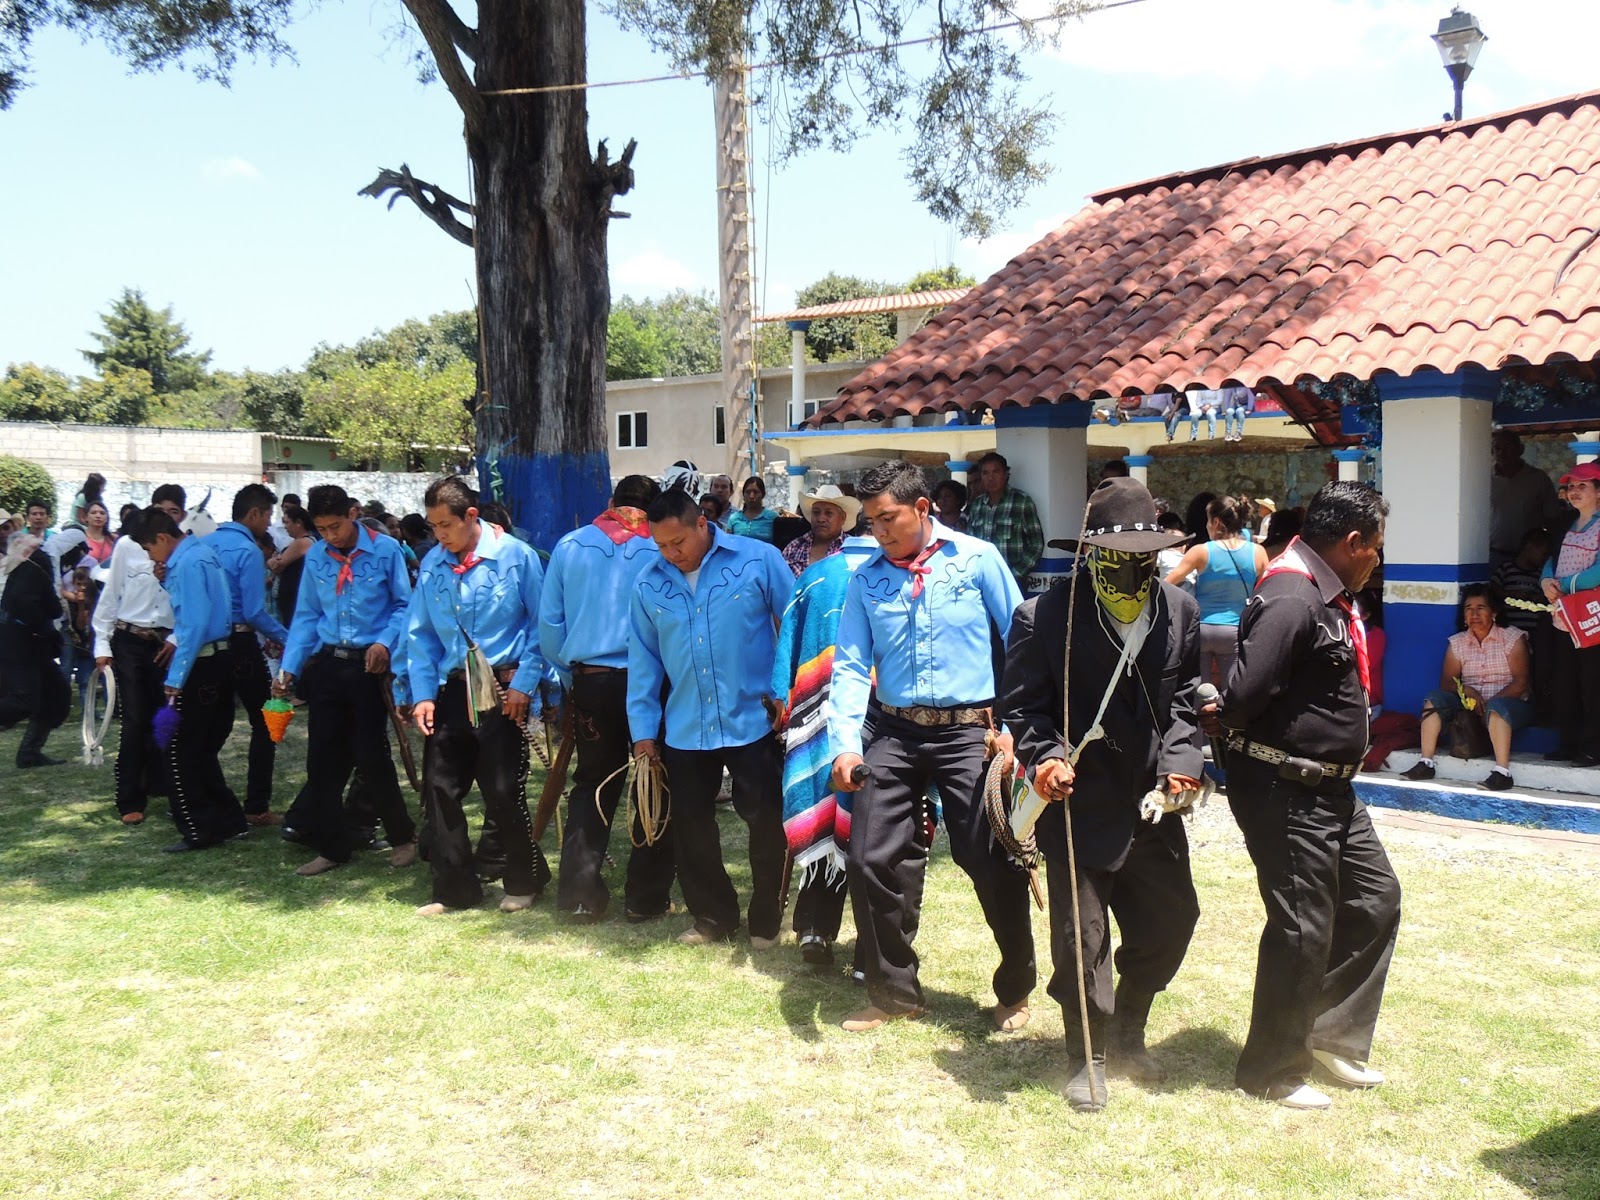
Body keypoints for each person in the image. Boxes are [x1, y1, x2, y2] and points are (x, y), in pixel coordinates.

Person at [1000, 476, 1204, 1112]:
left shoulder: (1180, 611)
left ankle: (1130, 1024)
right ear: (1090, 554)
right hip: (1078, 802)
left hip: (1150, 801)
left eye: (1146, 558)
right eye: (1119, 558)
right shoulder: (1044, 616)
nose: (1133, 570)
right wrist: (1047, 757)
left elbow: (1184, 702)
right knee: (1079, 939)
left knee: (1173, 923)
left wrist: (1182, 763)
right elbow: (1024, 708)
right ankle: (1085, 1055)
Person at [1210, 481, 1401, 1110]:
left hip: (1333, 791)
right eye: (1374, 547)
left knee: (1374, 901)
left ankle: (1329, 1035)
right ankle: (1270, 1068)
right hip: (1289, 787)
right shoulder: (1293, 595)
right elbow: (1242, 697)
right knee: (1302, 927)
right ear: (1350, 543)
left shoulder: (1324, 592)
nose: (1377, 558)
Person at [828, 460, 1035, 1033]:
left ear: (923, 509)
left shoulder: (977, 560)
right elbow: (848, 666)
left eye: (888, 518)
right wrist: (846, 745)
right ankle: (893, 991)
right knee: (871, 857)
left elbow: (1023, 641)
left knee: (989, 858)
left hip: (971, 729)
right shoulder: (865, 579)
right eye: (871, 522)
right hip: (892, 731)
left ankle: (1015, 988)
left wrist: (1019, 724)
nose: (880, 531)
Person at [628, 486, 793, 946]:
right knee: (691, 826)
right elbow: (643, 661)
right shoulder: (647, 583)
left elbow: (795, 628)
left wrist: (787, 693)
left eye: (677, 542)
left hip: (754, 720)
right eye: (660, 545)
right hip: (684, 726)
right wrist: (643, 731)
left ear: (703, 522)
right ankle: (712, 917)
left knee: (765, 819)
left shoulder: (759, 560)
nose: (670, 553)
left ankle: (767, 917)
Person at [409, 476, 554, 914]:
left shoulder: (516, 557)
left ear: (471, 516)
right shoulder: (433, 564)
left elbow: (541, 625)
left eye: (445, 525)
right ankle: (454, 888)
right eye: (433, 527)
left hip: (503, 688)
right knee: (439, 786)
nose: (438, 535)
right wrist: (423, 695)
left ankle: (523, 879)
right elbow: (420, 634)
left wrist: (526, 684)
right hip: (453, 688)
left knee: (502, 788)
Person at [539, 474, 675, 923]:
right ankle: (644, 898)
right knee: (653, 781)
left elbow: (551, 628)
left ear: (611, 501)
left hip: (591, 679)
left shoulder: (570, 545)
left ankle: (579, 894)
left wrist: (569, 676)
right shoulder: (663, 546)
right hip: (652, 682)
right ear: (654, 507)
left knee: (592, 782)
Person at [277, 485, 417, 877]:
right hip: (327, 665)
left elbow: (404, 606)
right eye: (321, 528)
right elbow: (306, 615)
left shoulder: (386, 551)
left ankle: (402, 836)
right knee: (321, 760)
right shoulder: (318, 556)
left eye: (336, 526)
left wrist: (385, 643)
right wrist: (289, 666)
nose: (330, 535)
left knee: (371, 757)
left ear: (353, 513)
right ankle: (331, 846)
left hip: (367, 669)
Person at [771, 527, 881, 966]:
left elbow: (787, 648)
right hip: (887, 715)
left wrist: (782, 701)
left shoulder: (816, 576)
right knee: (879, 827)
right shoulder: (892, 572)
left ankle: (813, 929)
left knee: (820, 809)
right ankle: (871, 948)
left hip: (820, 713)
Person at [134, 508, 249, 852]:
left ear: (164, 539)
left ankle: (199, 828)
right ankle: (229, 819)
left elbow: (194, 624)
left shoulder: (187, 562)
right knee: (201, 748)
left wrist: (176, 676)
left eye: (148, 547)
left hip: (201, 663)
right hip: (219, 657)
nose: (148, 554)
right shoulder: (203, 554)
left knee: (180, 752)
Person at [211, 484, 292, 825]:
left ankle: (203, 795)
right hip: (241, 644)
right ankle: (257, 805)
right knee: (263, 722)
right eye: (269, 515)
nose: (270, 522)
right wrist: (290, 639)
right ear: (254, 514)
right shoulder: (247, 551)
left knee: (211, 726)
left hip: (208, 647)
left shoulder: (205, 545)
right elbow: (256, 612)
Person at [1400, 586, 1532, 791]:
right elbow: (1447, 683)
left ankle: (1502, 772)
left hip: (1509, 703)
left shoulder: (1512, 638)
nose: (1474, 614)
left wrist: (1489, 703)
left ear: (1494, 612)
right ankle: (1426, 763)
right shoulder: (1458, 642)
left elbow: (1521, 683)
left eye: (1481, 608)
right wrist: (1467, 690)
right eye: (1469, 608)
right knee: (1433, 699)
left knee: (1497, 708)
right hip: (1469, 704)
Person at [92, 508, 176, 823]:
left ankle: (163, 784)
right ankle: (129, 798)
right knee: (135, 720)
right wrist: (102, 644)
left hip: (166, 642)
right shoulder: (128, 546)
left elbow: (187, 601)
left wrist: (178, 638)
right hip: (129, 641)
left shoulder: (181, 550)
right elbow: (110, 597)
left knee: (165, 718)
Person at [1164, 496, 1268, 689]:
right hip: (1234, 630)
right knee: (1231, 692)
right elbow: (1267, 590)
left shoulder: (1201, 551)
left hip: (1201, 629)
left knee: (1195, 689)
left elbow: (1168, 583)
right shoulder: (1258, 552)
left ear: (1217, 522)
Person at [1539, 461, 1600, 764]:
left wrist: (1564, 584)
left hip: (1592, 619)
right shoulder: (1565, 523)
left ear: (1598, 493)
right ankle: (1568, 743)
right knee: (1565, 684)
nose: (1574, 491)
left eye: (1583, 486)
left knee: (1592, 685)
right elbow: (1552, 558)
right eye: (1571, 486)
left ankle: (1592, 747)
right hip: (1563, 618)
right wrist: (1546, 581)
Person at [0, 534, 72, 768]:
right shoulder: (36, 562)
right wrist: (48, 621)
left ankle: (30, 752)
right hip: (20, 643)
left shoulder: (30, 562)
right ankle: (29, 752)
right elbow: (28, 603)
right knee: (24, 701)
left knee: (57, 695)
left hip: (31, 643)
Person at [965, 452, 1044, 583]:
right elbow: (971, 544)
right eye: (985, 473)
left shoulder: (1022, 502)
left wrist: (1015, 575)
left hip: (1013, 582)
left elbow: (1036, 544)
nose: (990, 478)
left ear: (1005, 474)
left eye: (995, 472)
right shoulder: (977, 505)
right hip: (983, 580)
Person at [1491, 431, 1564, 568]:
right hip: (1493, 553)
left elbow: (1552, 518)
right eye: (1497, 448)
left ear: (1521, 449)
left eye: (1508, 447)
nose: (1502, 453)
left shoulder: (1538, 478)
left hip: (1529, 557)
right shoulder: (1485, 478)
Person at [781, 484, 859, 577]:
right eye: (816, 512)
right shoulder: (794, 547)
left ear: (842, 518)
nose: (821, 519)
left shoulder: (852, 548)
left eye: (828, 513)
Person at [268, 505, 315, 628]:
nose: (285, 527)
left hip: (293, 597)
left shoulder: (302, 542)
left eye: (287, 522)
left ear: (298, 522)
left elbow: (278, 566)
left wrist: (271, 560)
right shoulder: (304, 542)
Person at [727, 476, 778, 542]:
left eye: (756, 492)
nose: (751, 496)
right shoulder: (734, 518)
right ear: (743, 495)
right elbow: (729, 543)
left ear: (763, 494)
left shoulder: (773, 518)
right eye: (748, 492)